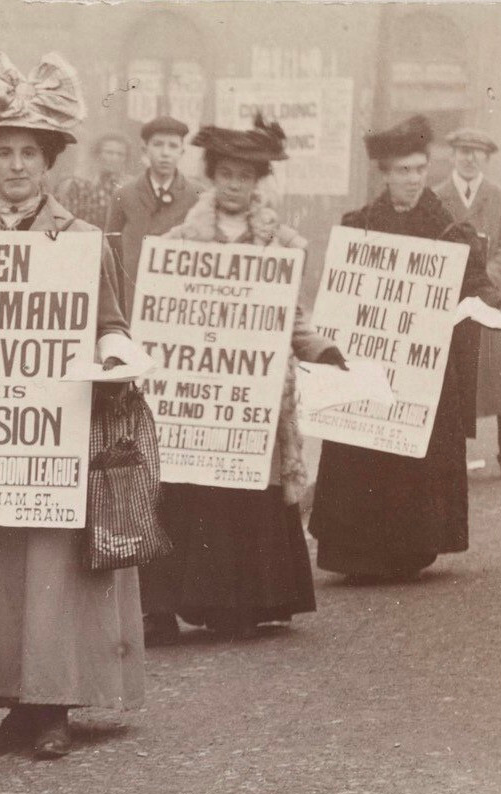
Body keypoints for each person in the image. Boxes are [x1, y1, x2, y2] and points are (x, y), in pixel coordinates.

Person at [0, 48, 150, 759]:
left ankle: (52, 703)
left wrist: (116, 354)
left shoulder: (84, 243)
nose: (16, 165)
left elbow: (110, 321)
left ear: (49, 161)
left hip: (57, 430)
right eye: (4, 151)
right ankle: (8, 700)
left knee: (51, 568)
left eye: (29, 152)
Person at [137, 117, 347, 646]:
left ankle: (238, 605)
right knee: (187, 496)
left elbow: (293, 319)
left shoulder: (282, 245)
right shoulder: (178, 241)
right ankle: (168, 604)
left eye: (245, 176)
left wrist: (320, 348)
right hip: (196, 399)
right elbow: (158, 313)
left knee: (243, 499)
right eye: (225, 174)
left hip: (253, 401)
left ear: (258, 183)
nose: (234, 184)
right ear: (211, 177)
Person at [310, 116, 500, 581]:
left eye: (419, 169)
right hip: (372, 364)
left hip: (425, 369)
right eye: (402, 171)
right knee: (365, 453)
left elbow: (479, 288)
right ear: (385, 174)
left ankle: (413, 546)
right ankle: (358, 550)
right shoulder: (358, 225)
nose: (412, 179)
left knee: (415, 456)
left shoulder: (451, 231)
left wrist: (470, 306)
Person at [435, 127, 501, 474]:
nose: (469, 158)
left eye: (476, 152)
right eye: (463, 150)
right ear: (452, 155)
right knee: (448, 380)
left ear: (486, 159)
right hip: (449, 300)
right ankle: (449, 460)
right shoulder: (436, 197)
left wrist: (486, 283)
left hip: (492, 297)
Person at [106, 115, 200, 309]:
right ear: (144, 150)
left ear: (182, 151)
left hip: (177, 295)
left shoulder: (196, 196)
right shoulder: (124, 195)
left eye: (173, 146)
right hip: (133, 294)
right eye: (158, 145)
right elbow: (110, 250)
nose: (165, 153)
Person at [70, 133, 131, 227]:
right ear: (97, 154)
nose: (115, 158)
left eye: (120, 154)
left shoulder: (130, 186)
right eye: (109, 152)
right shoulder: (80, 184)